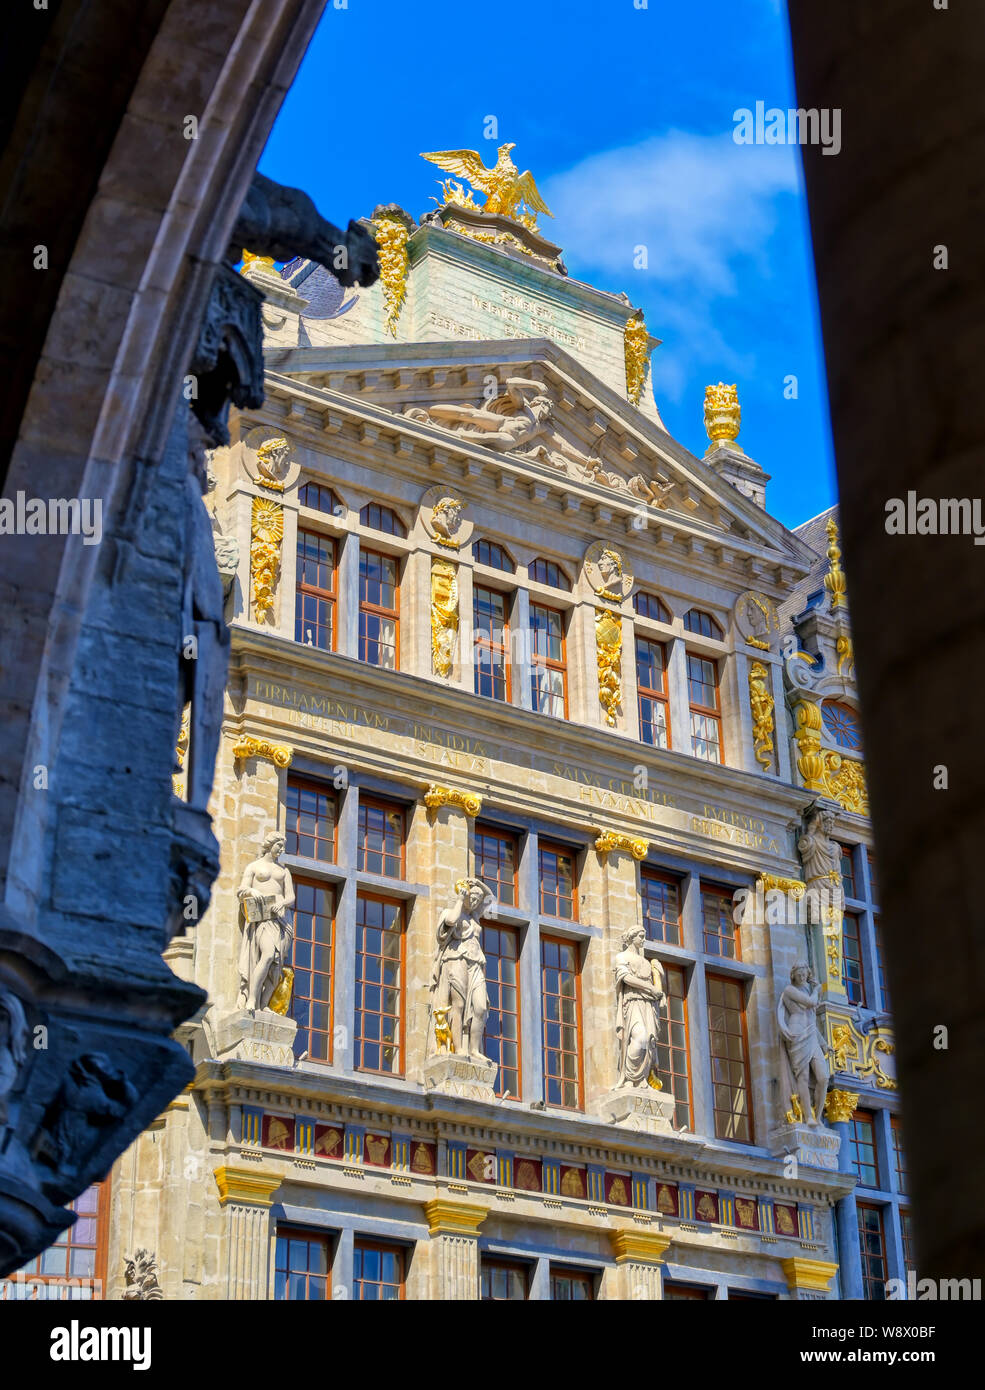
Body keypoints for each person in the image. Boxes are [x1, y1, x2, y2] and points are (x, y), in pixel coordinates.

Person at [430, 878, 494, 1056]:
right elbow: (450, 922)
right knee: (458, 1005)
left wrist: (476, 884)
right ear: (464, 895)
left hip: (475, 963)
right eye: (472, 898)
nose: (475, 902)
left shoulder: (474, 916)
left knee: (480, 1007)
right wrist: (460, 898)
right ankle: (459, 1049)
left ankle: (474, 1049)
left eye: (477, 899)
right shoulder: (451, 912)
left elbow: (490, 898)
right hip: (456, 959)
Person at [237, 832, 295, 1013]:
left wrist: (282, 904)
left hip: (281, 920)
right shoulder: (254, 867)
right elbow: (241, 890)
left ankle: (264, 1004)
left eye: (283, 846)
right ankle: (252, 998)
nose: (282, 850)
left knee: (275, 965)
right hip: (262, 918)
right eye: (279, 845)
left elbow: (291, 896)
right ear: (270, 845)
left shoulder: (284, 871)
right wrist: (251, 892)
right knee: (268, 954)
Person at [777, 963, 829, 1125]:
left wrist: (823, 1043)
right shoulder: (790, 990)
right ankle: (808, 1117)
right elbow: (810, 1003)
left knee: (823, 1077)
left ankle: (818, 1116)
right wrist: (817, 990)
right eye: (798, 975)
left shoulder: (808, 989)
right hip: (797, 1033)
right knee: (803, 1076)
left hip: (812, 1035)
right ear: (793, 975)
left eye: (804, 974)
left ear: (808, 974)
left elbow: (812, 1021)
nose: (801, 977)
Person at [614, 926, 665, 1088]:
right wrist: (649, 988)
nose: (643, 940)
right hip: (633, 1001)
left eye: (644, 936)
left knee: (648, 1042)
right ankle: (630, 1077)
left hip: (648, 1004)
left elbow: (655, 986)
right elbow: (626, 977)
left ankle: (642, 1079)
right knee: (640, 1036)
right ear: (631, 937)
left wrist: (659, 993)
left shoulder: (647, 963)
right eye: (641, 936)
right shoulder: (622, 957)